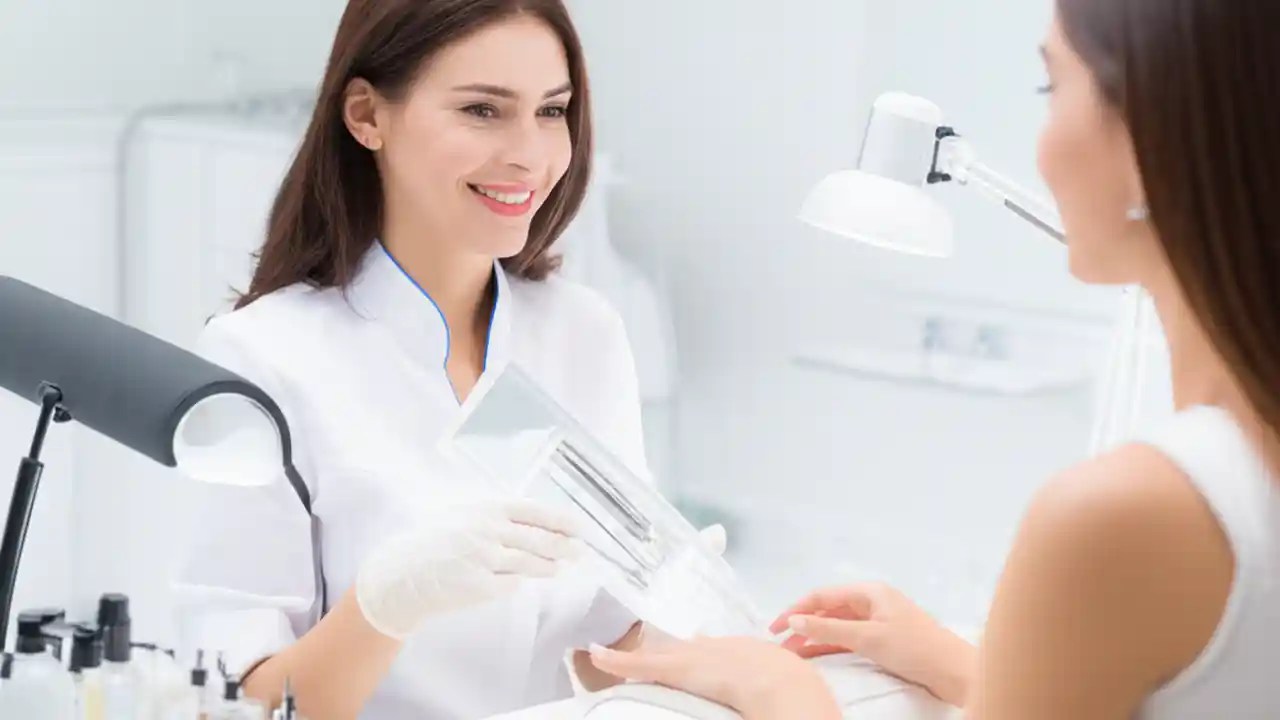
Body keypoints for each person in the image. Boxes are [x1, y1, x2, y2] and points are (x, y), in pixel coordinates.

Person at [590, 0, 1280, 717]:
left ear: (1151, 136)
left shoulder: (1122, 515)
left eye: (1052, 89)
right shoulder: (1239, 472)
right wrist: (964, 664)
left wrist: (781, 693)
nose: (1039, 147)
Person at [173, 1, 665, 717]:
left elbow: (607, 651)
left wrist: (696, 613)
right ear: (367, 115)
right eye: (483, 111)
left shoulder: (583, 335)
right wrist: (384, 607)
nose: (530, 154)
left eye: (552, 112)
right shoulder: (264, 358)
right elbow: (234, 703)